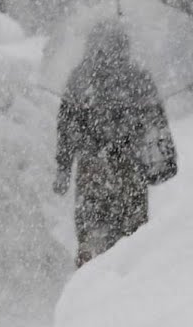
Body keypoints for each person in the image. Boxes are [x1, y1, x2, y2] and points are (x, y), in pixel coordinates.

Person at [54, 22, 170, 268]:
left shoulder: (80, 79)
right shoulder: (138, 77)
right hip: (131, 169)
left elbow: (67, 127)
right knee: (133, 238)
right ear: (125, 46)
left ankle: (91, 276)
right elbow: (155, 124)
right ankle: (127, 279)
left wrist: (64, 167)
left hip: (92, 170)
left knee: (92, 233)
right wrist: (161, 161)